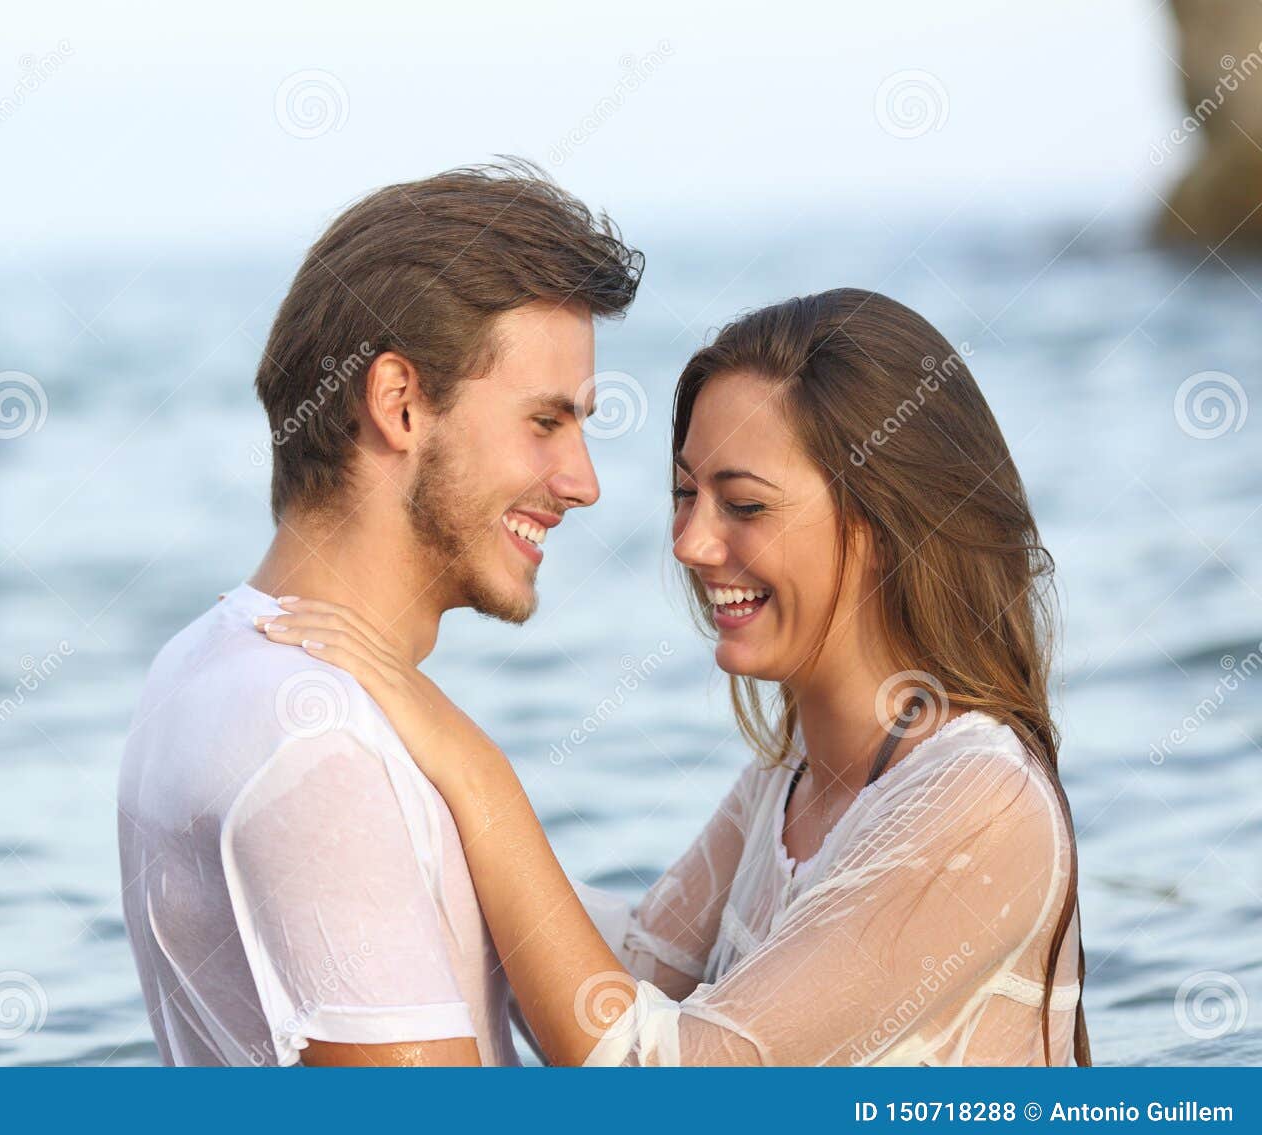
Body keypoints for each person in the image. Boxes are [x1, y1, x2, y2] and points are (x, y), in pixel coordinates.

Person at [254, 288, 1093, 1066]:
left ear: (887, 523)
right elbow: (629, 972)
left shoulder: (978, 802)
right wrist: (400, 794)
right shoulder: (792, 775)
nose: (690, 542)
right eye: (685, 494)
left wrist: (473, 772)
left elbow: (659, 1081)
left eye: (745, 505)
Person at [116, 161, 643, 1066]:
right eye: (546, 423)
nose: (583, 483)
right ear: (399, 404)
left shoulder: (202, 665)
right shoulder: (318, 741)